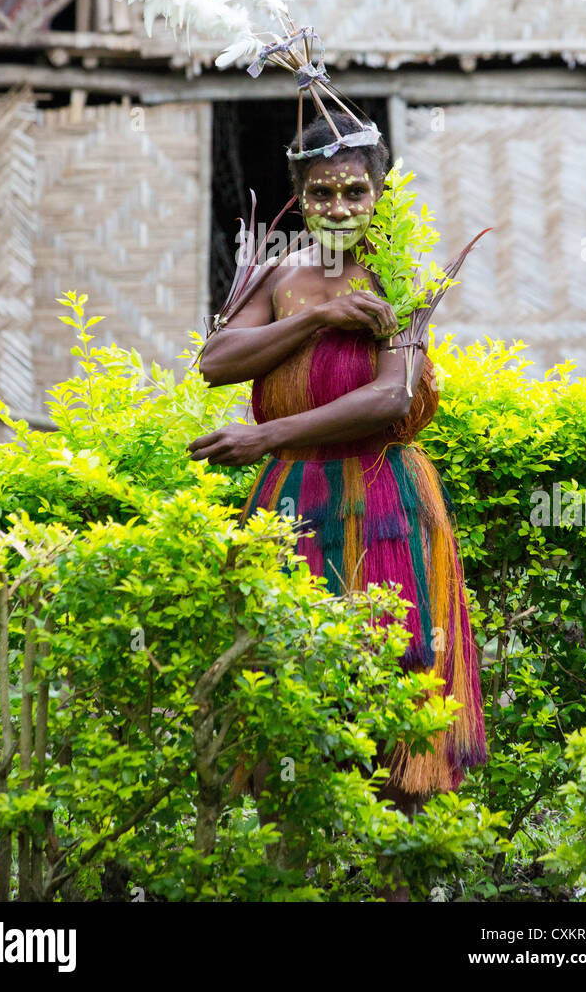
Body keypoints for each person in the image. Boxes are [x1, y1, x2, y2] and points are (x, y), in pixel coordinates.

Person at [188, 109, 487, 826]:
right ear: (299, 196)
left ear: (381, 192)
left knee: (397, 669)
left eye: (355, 191)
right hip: (291, 496)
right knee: (288, 671)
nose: (340, 208)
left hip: (382, 495)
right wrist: (318, 319)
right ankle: (301, 852)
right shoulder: (278, 274)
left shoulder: (401, 275)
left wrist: (267, 437)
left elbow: (391, 397)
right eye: (322, 193)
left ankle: (395, 856)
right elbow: (216, 362)